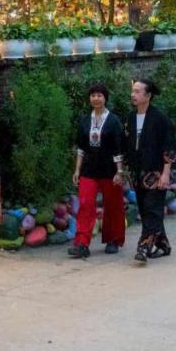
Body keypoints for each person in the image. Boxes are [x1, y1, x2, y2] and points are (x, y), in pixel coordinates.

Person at [121, 78, 176, 264]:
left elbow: (170, 146)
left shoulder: (160, 119)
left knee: (152, 209)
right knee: (146, 210)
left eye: (138, 91)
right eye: (133, 91)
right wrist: (123, 170)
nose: (133, 95)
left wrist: (165, 172)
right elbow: (126, 145)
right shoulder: (130, 118)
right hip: (138, 172)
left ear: (148, 95)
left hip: (156, 173)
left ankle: (143, 246)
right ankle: (162, 243)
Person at [69, 82, 125, 259]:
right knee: (85, 204)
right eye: (93, 95)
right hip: (88, 170)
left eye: (99, 95)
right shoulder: (85, 120)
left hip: (109, 170)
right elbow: (81, 148)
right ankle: (82, 244)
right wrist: (77, 169)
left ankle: (113, 239)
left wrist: (119, 172)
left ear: (105, 98)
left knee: (113, 205)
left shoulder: (114, 121)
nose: (96, 98)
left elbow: (118, 149)